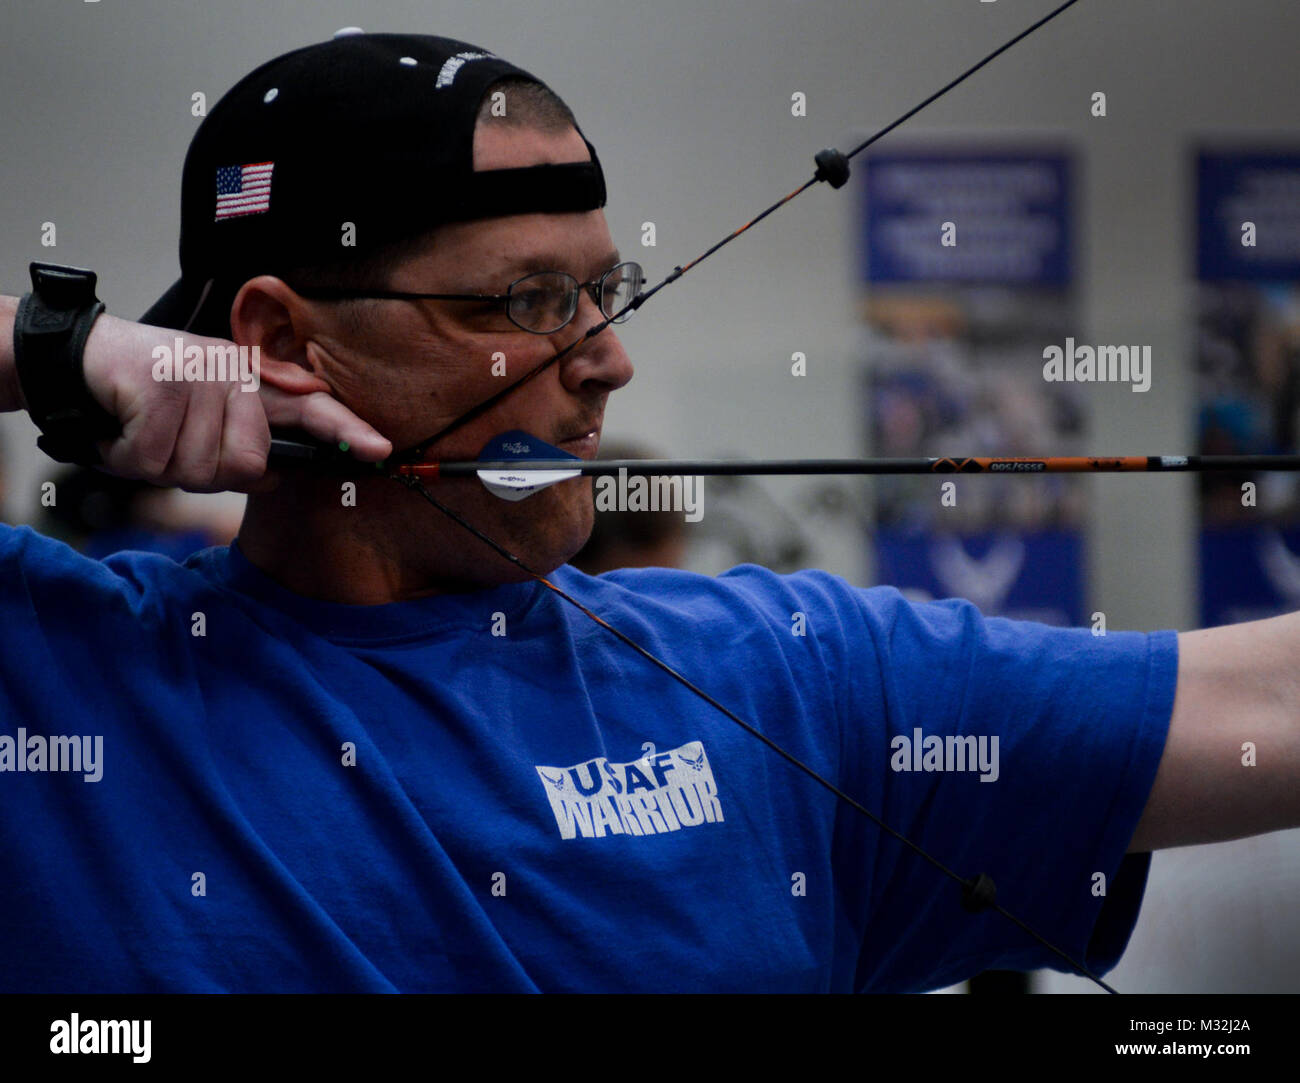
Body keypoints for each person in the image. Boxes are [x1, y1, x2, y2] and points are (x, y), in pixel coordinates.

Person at [0, 31, 1295, 994]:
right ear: (281, 337)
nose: (607, 360)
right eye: (523, 303)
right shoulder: (66, 681)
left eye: (603, 290)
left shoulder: (782, 674)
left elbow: (1266, 708)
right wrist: (56, 349)